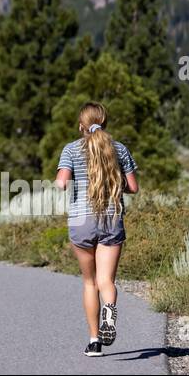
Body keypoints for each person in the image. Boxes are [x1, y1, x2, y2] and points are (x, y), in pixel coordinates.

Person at [54, 101, 139, 357]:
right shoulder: (120, 149)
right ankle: (109, 312)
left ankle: (94, 342)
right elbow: (133, 188)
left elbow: (61, 183)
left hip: (81, 222)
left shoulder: (71, 149)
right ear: (105, 123)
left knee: (90, 282)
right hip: (111, 219)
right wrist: (112, 182)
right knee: (106, 281)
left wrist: (67, 180)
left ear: (81, 125)